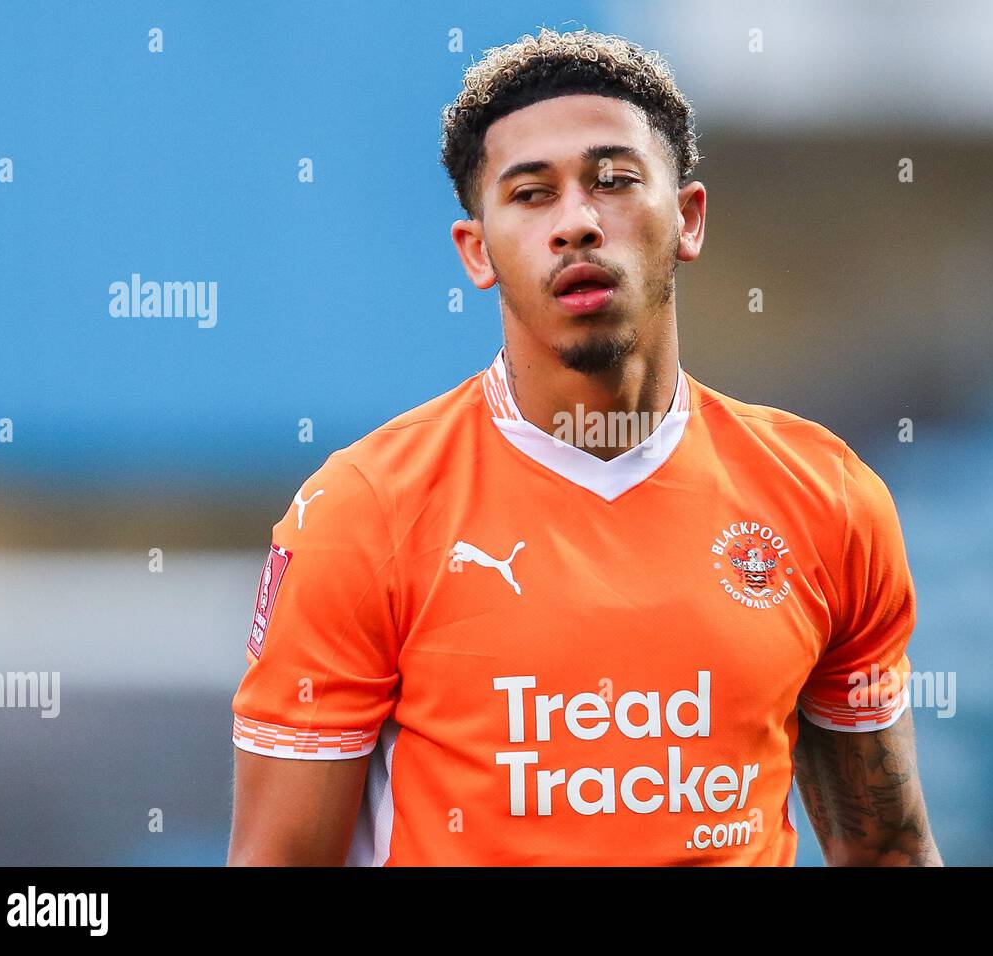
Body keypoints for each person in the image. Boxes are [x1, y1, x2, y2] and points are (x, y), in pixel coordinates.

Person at [227, 26, 941, 866]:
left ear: (688, 217)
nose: (576, 223)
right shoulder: (363, 514)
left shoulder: (826, 501)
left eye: (614, 181)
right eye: (531, 195)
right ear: (476, 251)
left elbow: (887, 847)